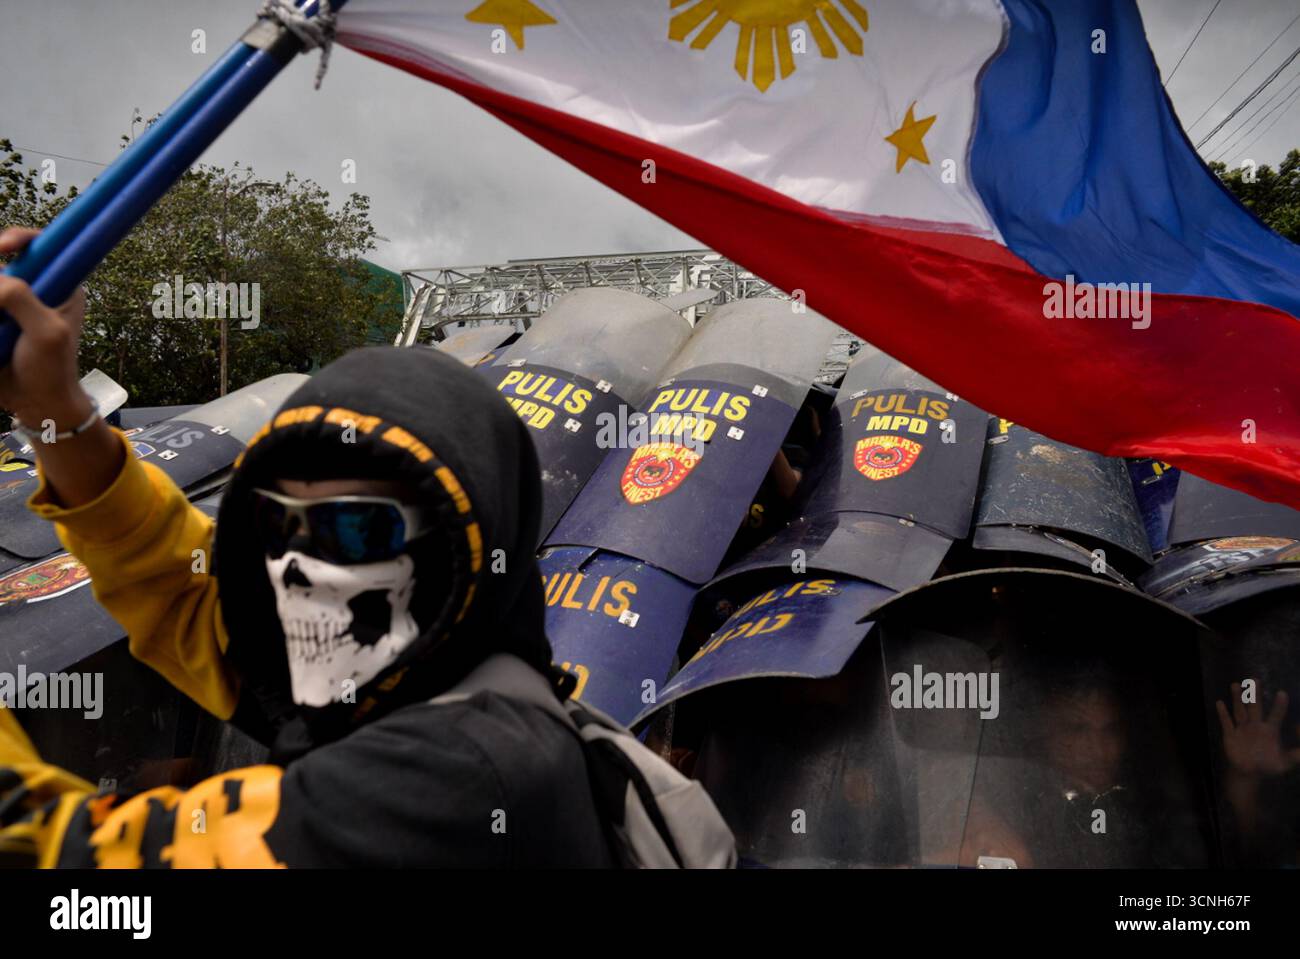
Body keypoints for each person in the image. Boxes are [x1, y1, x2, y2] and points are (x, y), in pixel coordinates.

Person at [0, 226, 615, 867]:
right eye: (274, 526)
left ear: (454, 561)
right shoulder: (408, 671)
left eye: (352, 529)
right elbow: (176, 583)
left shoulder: (461, 781)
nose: (292, 570)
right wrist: (54, 410)